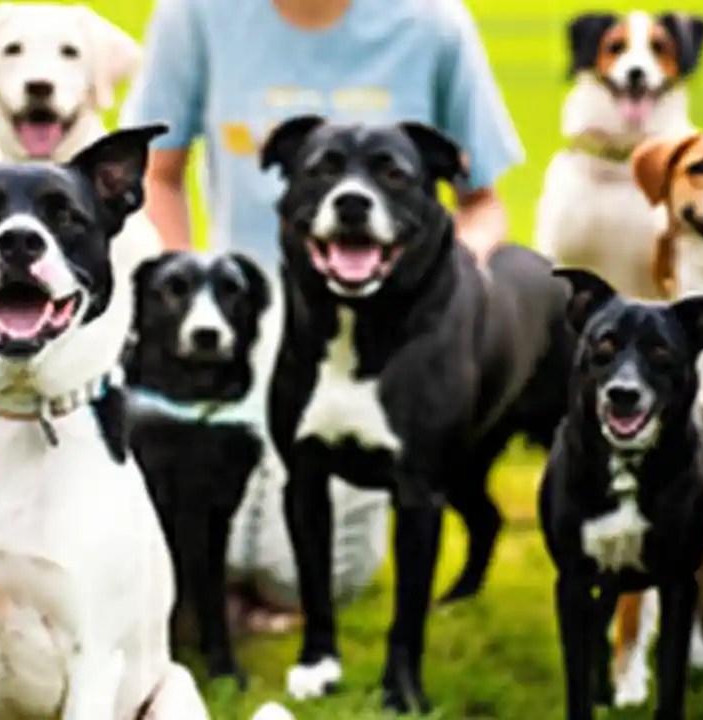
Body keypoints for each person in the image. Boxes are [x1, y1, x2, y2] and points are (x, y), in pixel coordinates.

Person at [121, 0, 523, 628]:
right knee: (203, 525)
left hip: (382, 337)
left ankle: (252, 601)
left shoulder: (434, 24)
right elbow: (157, 174)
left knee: (301, 575)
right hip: (241, 323)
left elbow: (484, 205)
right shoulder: (196, 14)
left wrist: (438, 287)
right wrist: (196, 295)